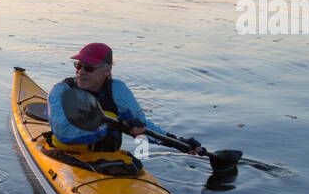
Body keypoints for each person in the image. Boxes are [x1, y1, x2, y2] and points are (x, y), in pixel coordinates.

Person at [47, 42, 205, 155]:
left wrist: (178, 143)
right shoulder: (61, 91)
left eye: (89, 68)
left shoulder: (118, 91)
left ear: (107, 70)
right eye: (78, 65)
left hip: (107, 160)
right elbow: (64, 132)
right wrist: (110, 127)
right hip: (66, 155)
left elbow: (143, 125)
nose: (81, 72)